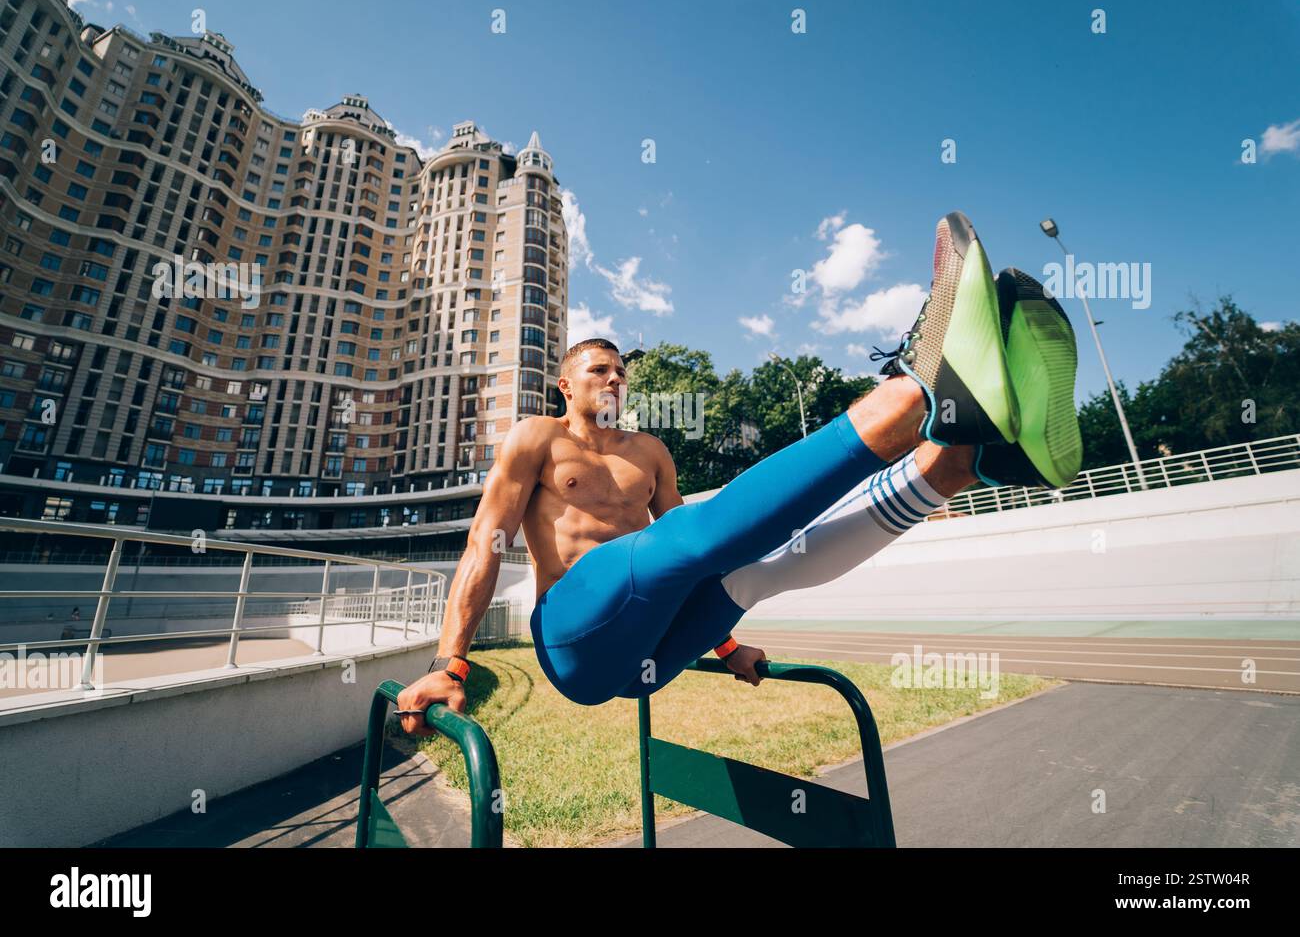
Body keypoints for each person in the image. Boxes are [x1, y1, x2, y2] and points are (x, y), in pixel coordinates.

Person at [396, 212, 1082, 732]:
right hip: (574, 639)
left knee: (756, 569)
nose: (614, 378)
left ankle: (957, 462)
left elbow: (707, 557)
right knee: (693, 535)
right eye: (598, 370)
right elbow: (484, 543)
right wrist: (450, 661)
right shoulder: (535, 438)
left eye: (621, 371)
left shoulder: (649, 453)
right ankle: (913, 393)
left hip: (651, 657)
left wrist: (724, 646)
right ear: (564, 386)